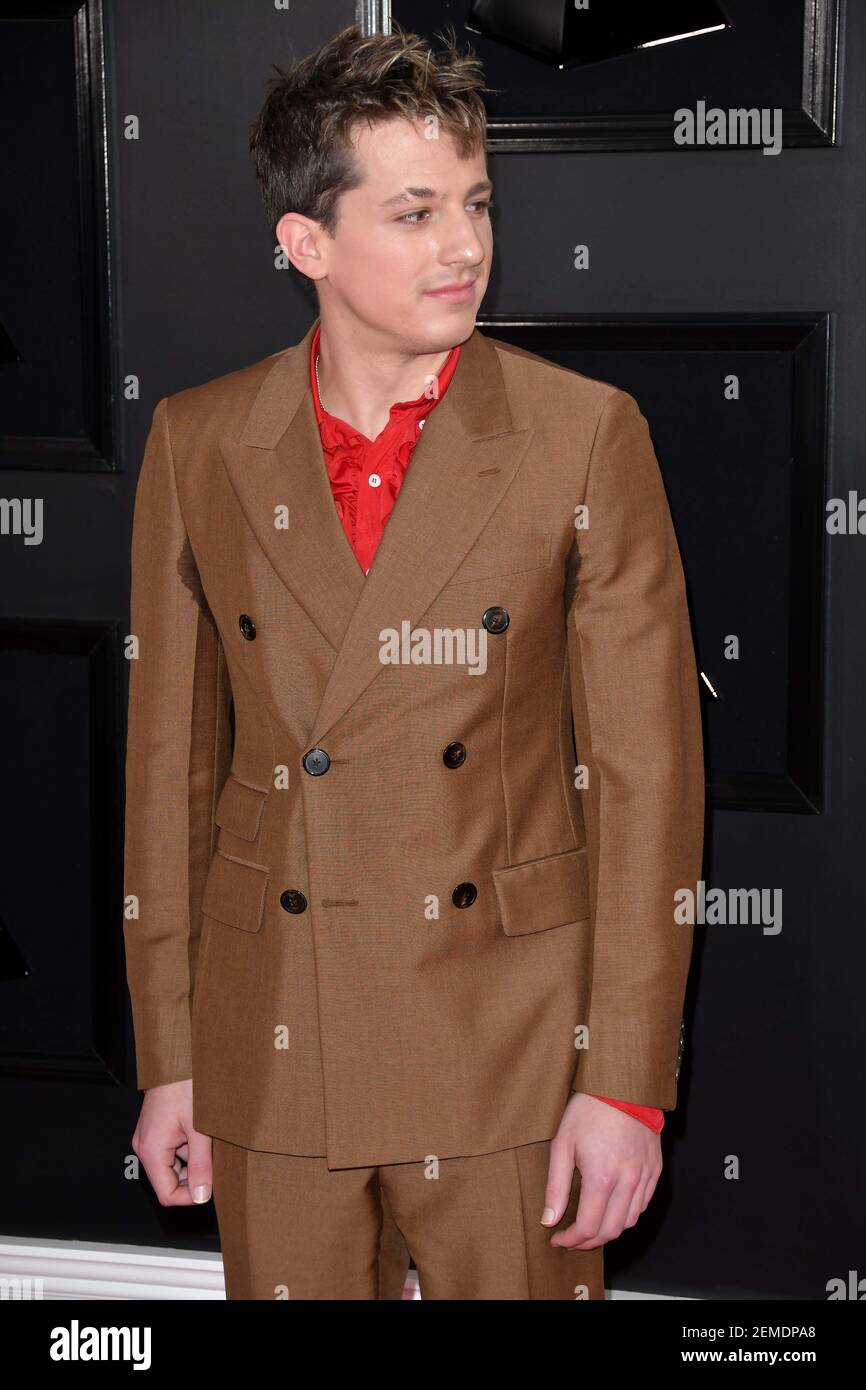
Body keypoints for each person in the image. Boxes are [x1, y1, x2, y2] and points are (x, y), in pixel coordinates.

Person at [124, 22, 704, 1300]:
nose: (464, 246)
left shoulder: (581, 437)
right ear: (306, 243)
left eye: (476, 202)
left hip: (503, 1049)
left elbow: (645, 787)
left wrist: (623, 1083)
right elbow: (171, 775)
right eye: (415, 210)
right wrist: (173, 1053)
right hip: (273, 1045)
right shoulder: (200, 442)